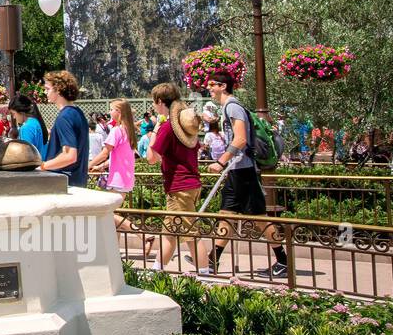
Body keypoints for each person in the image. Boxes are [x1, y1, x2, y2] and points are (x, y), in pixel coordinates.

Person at [205, 70, 286, 277]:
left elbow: (240, 139)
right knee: (227, 215)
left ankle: (284, 261)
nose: (209, 88)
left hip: (244, 169)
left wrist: (220, 162)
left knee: (259, 217)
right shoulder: (228, 107)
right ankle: (212, 260)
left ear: (223, 86)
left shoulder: (233, 106)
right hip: (237, 170)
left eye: (213, 84)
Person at [144, 84, 204, 271]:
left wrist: (155, 130)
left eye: (154, 103)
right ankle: (156, 270)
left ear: (160, 102)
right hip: (189, 184)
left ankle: (206, 274)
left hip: (180, 186)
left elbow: (151, 158)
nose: (154, 107)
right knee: (170, 232)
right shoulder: (184, 126)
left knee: (191, 234)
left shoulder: (168, 127)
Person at [37, 71, 89, 187]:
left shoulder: (64, 117)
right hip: (78, 182)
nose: (45, 92)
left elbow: (69, 156)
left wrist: (42, 166)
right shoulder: (78, 113)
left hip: (65, 184)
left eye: (47, 89)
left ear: (58, 89)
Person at [89, 99, 137, 195]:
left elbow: (104, 153)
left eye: (111, 109)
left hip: (117, 180)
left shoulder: (116, 131)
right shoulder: (129, 131)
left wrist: (87, 166)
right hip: (126, 180)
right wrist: (100, 166)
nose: (109, 112)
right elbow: (118, 158)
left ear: (119, 112)